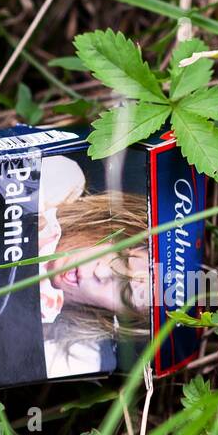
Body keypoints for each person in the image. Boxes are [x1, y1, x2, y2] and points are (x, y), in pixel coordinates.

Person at [35, 156, 151, 377]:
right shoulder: (60, 181)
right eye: (121, 258)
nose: (101, 272)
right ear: (117, 228)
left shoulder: (71, 355)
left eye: (125, 291)